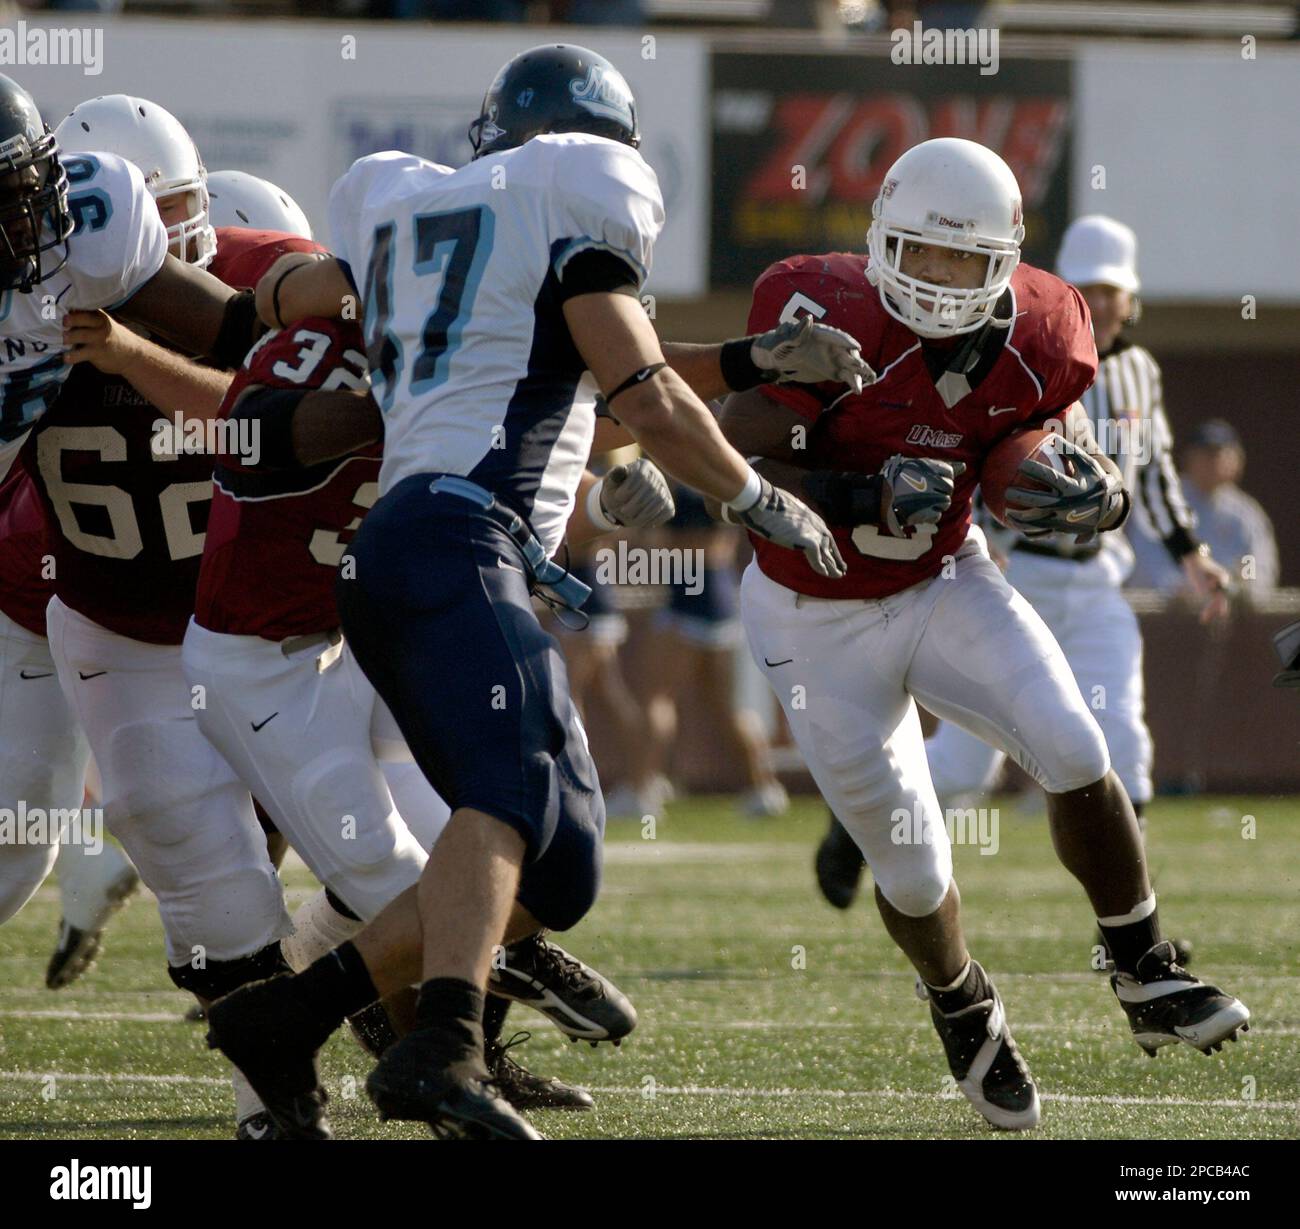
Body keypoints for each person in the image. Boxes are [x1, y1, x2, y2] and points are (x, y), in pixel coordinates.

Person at [206, 42, 863, 1141]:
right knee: (509, 791)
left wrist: (751, 362)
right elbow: (640, 391)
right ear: (601, 150)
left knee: (560, 859)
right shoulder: (577, 202)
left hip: (421, 547)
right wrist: (752, 496)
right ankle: (443, 1044)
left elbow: (561, 349)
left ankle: (288, 1016)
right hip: (455, 536)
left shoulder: (408, 205)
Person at [717, 138, 1249, 1130]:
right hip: (810, 607)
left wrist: (1075, 482)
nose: (937, 279)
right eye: (919, 254)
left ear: (1004, 258)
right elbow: (731, 466)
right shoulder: (818, 307)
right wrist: (853, 489)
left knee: (1073, 739)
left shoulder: (1049, 329)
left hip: (942, 576)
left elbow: (1016, 443)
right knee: (913, 865)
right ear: (881, 241)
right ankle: (960, 1000)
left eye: (962, 261)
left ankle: (1142, 966)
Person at [823, 216, 1230, 973]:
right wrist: (986, 549)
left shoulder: (1140, 371)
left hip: (1098, 578)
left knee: (1124, 744)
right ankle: (861, 824)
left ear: (1132, 298)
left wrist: (1191, 557)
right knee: (970, 768)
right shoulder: (1030, 347)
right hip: (1018, 573)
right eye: (1094, 290)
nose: (1105, 305)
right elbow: (980, 458)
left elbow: (1156, 471)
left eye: (1117, 291)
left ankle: (1134, 934)